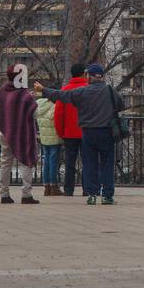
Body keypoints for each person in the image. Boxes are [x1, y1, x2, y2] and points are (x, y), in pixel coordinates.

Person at [35, 64, 125, 206]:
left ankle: (92, 194)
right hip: (107, 132)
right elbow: (121, 105)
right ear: (102, 77)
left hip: (88, 132)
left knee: (90, 164)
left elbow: (61, 95)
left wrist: (43, 90)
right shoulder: (110, 91)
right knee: (107, 163)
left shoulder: (82, 92)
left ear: (89, 76)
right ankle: (107, 195)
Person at [0, 67, 40, 205]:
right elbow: (35, 113)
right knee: (26, 161)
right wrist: (33, 99)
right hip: (22, 132)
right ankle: (26, 194)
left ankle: (4, 194)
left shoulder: (1, 92)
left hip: (5, 132)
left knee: (5, 162)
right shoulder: (23, 93)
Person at [52, 63, 88, 196]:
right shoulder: (88, 89)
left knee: (69, 163)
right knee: (88, 161)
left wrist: (61, 132)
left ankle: (68, 189)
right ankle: (87, 189)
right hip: (87, 132)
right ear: (84, 74)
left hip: (69, 133)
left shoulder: (65, 91)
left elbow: (58, 115)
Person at [35, 89, 63, 196]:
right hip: (55, 137)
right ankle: (53, 186)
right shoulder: (56, 106)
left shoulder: (39, 104)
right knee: (53, 162)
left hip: (44, 137)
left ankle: (46, 187)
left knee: (46, 161)